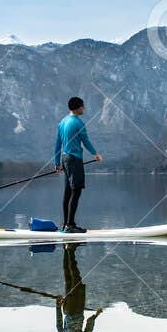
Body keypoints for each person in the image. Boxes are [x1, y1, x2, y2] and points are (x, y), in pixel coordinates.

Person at [53, 95, 101, 233]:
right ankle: (70, 225)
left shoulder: (62, 122)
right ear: (78, 107)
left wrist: (57, 163)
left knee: (68, 191)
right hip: (74, 159)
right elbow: (85, 141)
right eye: (83, 106)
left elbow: (57, 144)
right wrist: (95, 154)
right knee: (76, 190)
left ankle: (66, 224)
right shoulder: (78, 123)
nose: (84, 108)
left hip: (64, 159)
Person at [55, 244, 100, 332]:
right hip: (67, 310)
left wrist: (97, 315)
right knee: (68, 279)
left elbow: (87, 331)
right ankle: (66, 250)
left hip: (77, 310)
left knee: (76, 280)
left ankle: (70, 250)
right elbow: (59, 327)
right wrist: (58, 307)